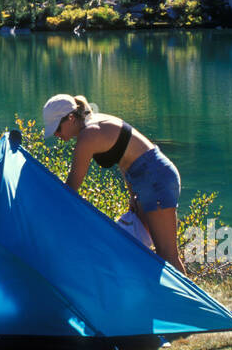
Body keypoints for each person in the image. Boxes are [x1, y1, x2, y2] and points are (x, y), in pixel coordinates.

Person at [42, 93, 188, 275]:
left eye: (57, 129)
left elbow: (71, 188)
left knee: (167, 255)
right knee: (149, 251)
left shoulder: (88, 136)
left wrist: (44, 209)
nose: (56, 135)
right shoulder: (94, 122)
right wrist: (133, 194)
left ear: (71, 118)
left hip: (156, 180)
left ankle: (195, 304)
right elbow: (125, 158)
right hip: (150, 179)